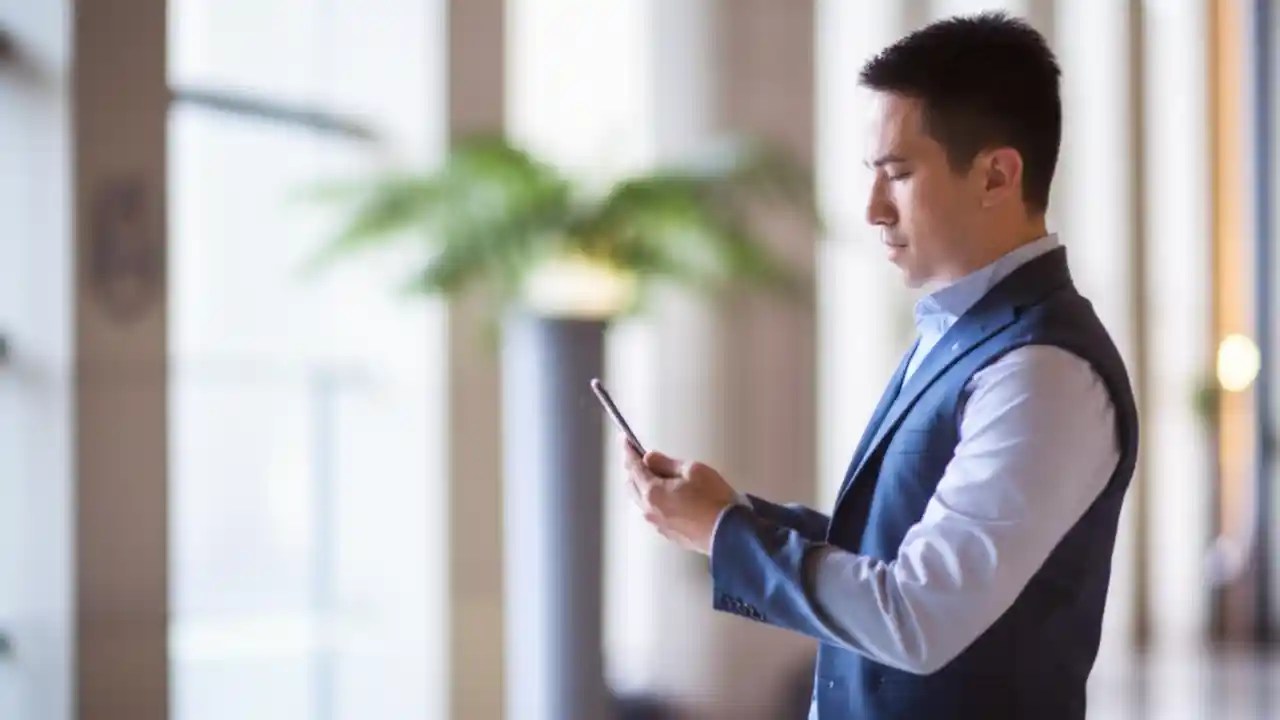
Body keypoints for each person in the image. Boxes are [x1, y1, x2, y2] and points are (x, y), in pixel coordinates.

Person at [620, 12, 1138, 720]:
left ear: (996, 174)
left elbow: (917, 614)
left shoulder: (1043, 371)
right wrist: (735, 513)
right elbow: (890, 548)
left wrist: (722, 535)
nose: (871, 209)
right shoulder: (963, 331)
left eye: (896, 175)